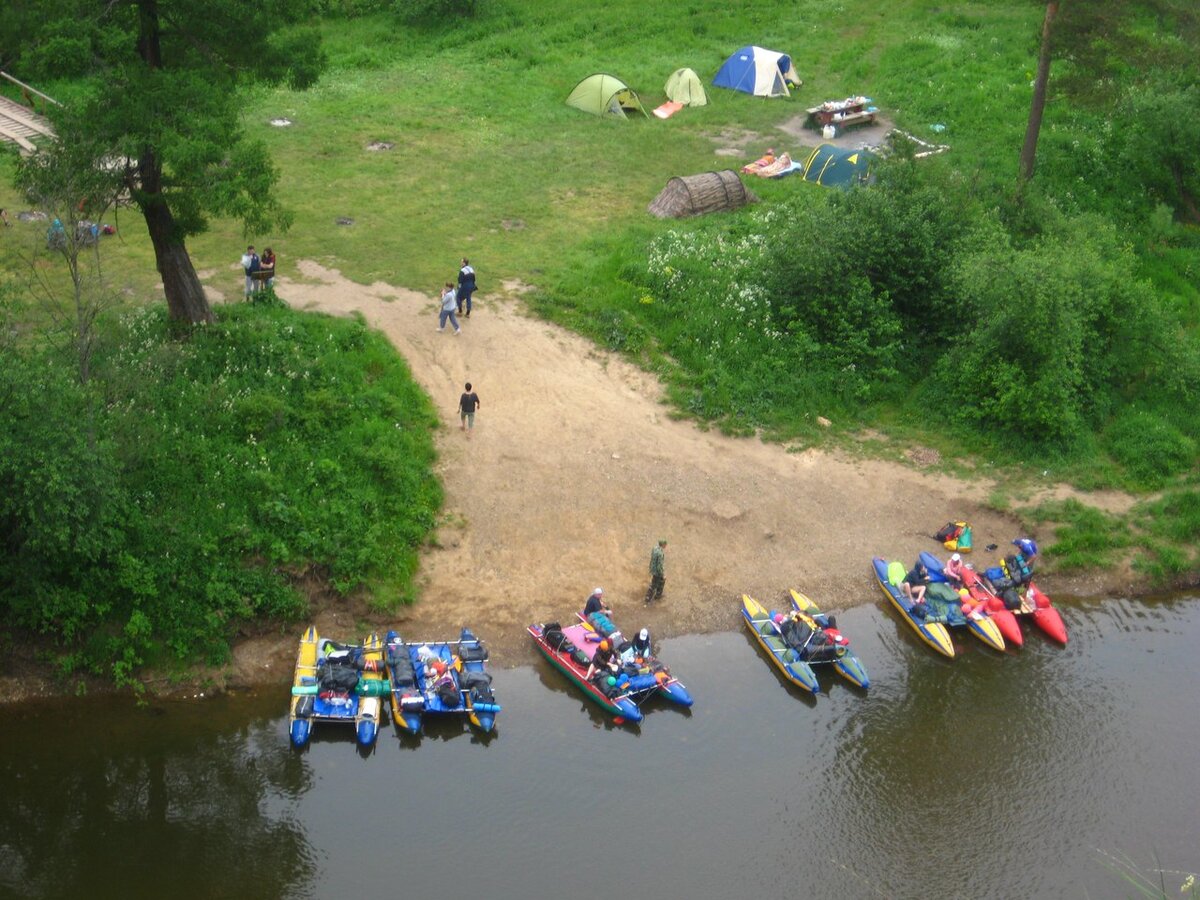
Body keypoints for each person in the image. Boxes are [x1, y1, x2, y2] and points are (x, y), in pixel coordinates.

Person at [645, 538, 667, 604]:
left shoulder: (655, 548)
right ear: (663, 545)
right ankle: (649, 597)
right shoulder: (660, 553)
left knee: (658, 582)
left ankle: (657, 595)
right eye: (665, 544)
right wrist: (662, 574)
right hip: (657, 571)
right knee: (655, 583)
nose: (666, 546)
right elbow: (659, 566)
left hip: (652, 568)